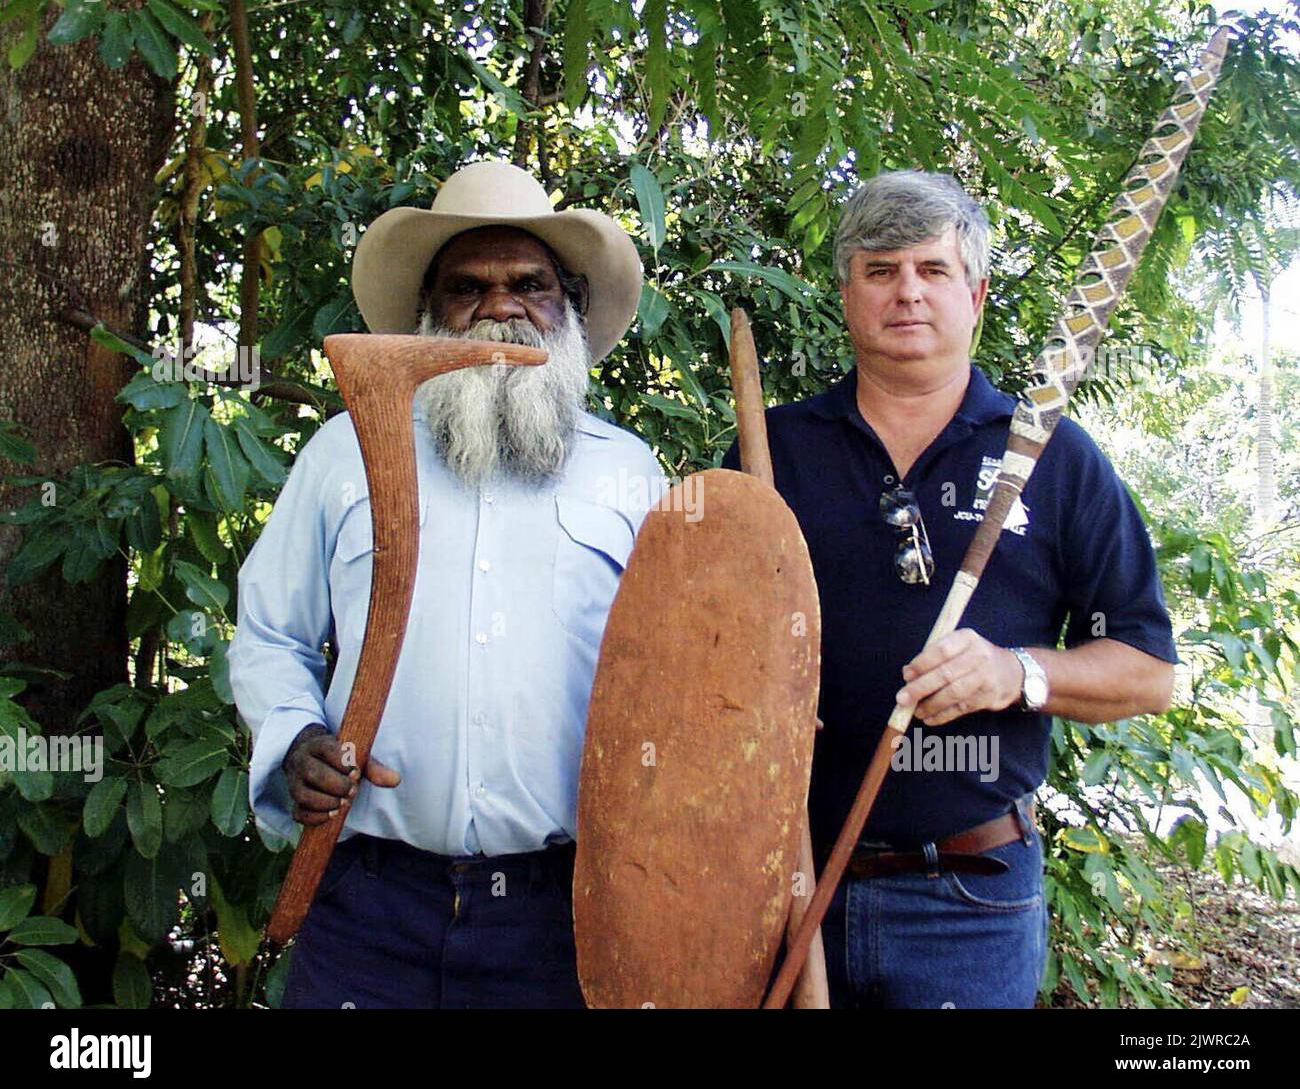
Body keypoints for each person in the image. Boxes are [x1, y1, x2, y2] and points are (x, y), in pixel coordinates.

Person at [724, 169, 1177, 1008]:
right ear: (847, 291)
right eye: (881, 269)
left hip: (969, 900)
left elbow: (1148, 670)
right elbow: (697, 644)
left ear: (977, 293)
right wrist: (743, 694)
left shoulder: (1052, 457)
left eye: (932, 271)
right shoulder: (770, 451)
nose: (907, 293)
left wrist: (1019, 674)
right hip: (779, 883)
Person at [229, 161, 665, 1008]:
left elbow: (674, 684)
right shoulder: (343, 454)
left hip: (565, 912)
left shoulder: (632, 475)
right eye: (468, 288)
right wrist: (292, 739)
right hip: (367, 902)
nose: (501, 307)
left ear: (569, 305)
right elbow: (271, 633)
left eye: (530, 285)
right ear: (430, 314)